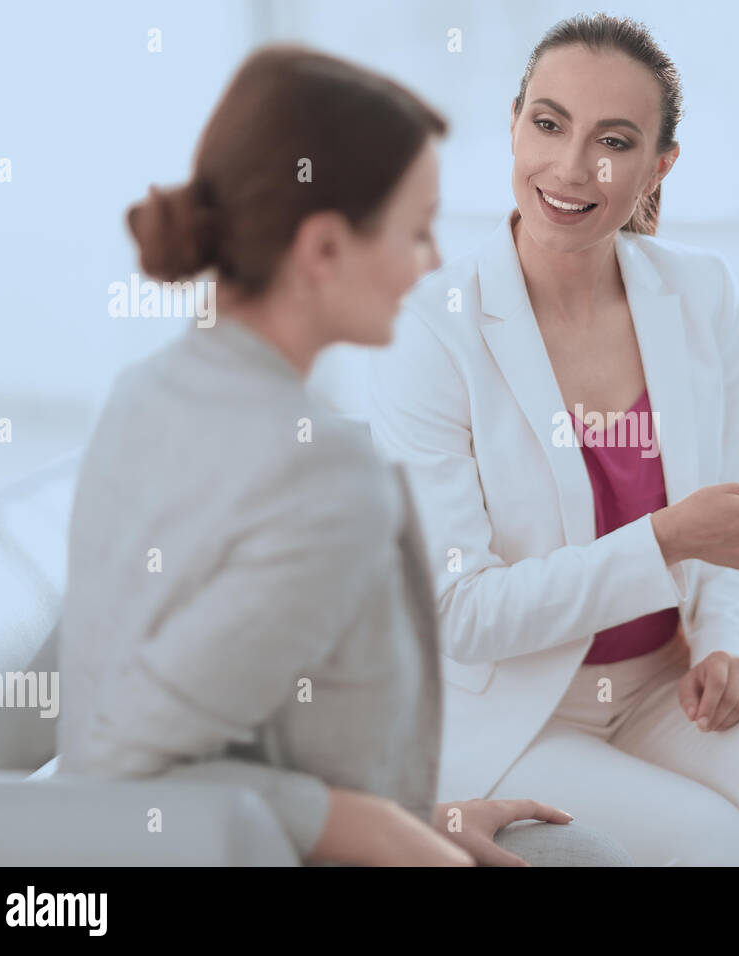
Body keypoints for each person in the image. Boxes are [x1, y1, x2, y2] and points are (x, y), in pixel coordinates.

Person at [56, 45, 628, 867]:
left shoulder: (144, 392)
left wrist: (413, 815)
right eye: (415, 230)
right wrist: (368, 828)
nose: (431, 261)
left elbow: (230, 730)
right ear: (324, 249)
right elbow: (119, 761)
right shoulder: (322, 474)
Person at [367, 14, 739, 866]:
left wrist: (731, 646)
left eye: (614, 140)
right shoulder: (433, 328)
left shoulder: (700, 292)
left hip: (661, 682)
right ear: (515, 121)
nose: (569, 169)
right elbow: (462, 614)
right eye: (549, 124)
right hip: (518, 707)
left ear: (659, 165)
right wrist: (666, 539)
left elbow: (738, 522)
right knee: (715, 849)